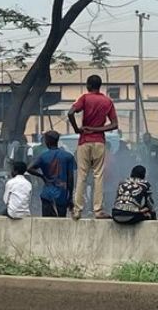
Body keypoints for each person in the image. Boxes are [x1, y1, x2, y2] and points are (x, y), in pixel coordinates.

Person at [69, 76, 118, 220]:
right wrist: (98, 129)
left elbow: (70, 112)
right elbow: (114, 124)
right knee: (98, 175)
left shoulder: (84, 98)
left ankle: (77, 210)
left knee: (82, 176)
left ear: (88, 85)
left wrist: (77, 129)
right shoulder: (107, 101)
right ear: (100, 86)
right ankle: (98, 210)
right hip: (99, 141)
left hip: (84, 141)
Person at [26, 130, 76, 217]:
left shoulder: (43, 156)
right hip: (62, 193)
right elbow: (70, 178)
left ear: (47, 141)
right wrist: (70, 196)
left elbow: (29, 168)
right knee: (61, 221)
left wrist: (42, 176)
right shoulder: (68, 156)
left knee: (46, 221)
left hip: (47, 194)